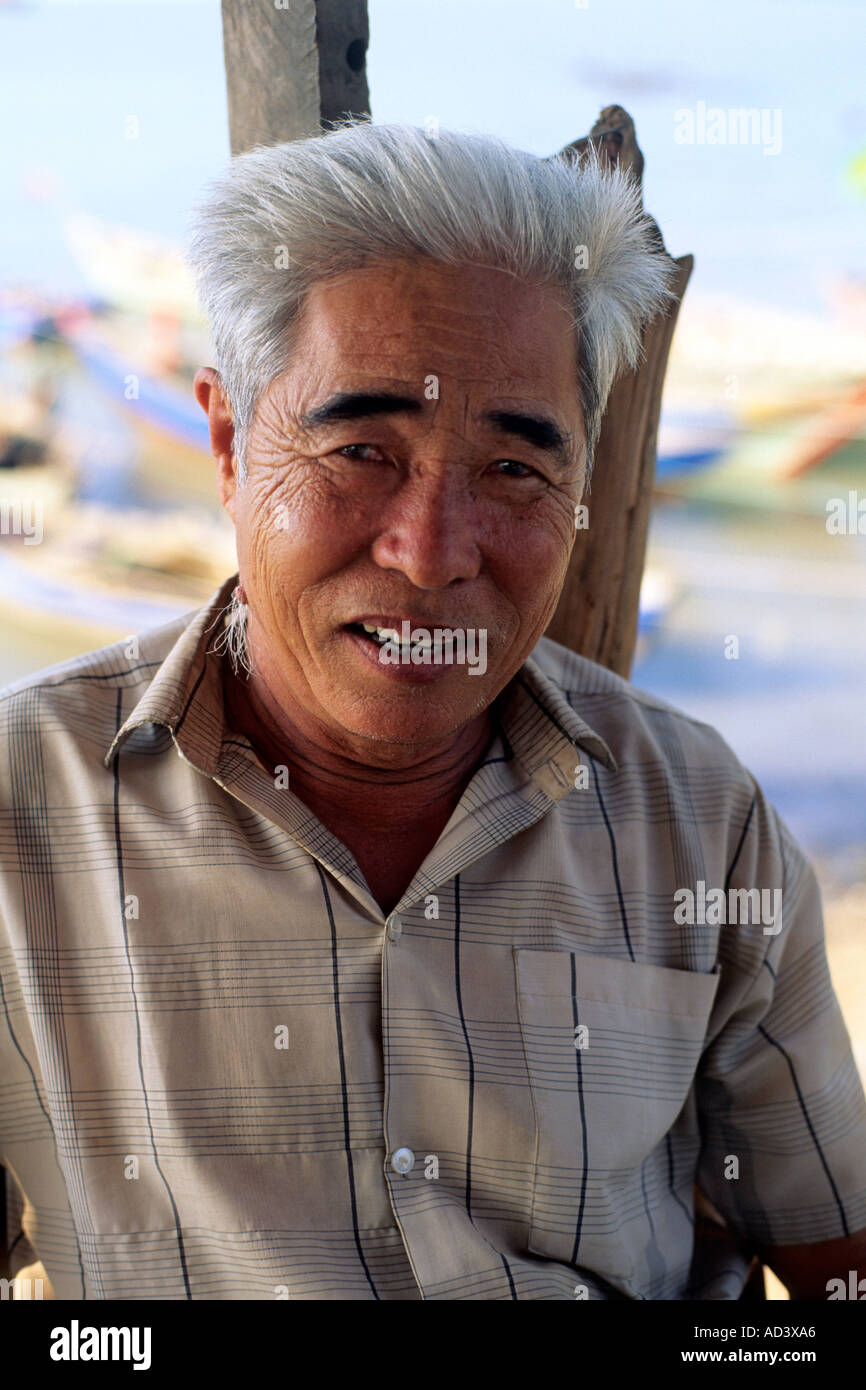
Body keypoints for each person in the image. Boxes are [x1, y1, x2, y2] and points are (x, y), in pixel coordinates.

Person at [1, 121, 864, 1301]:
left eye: (514, 471)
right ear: (223, 441)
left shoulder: (699, 820)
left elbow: (835, 1261)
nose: (428, 555)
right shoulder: (22, 811)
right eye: (360, 449)